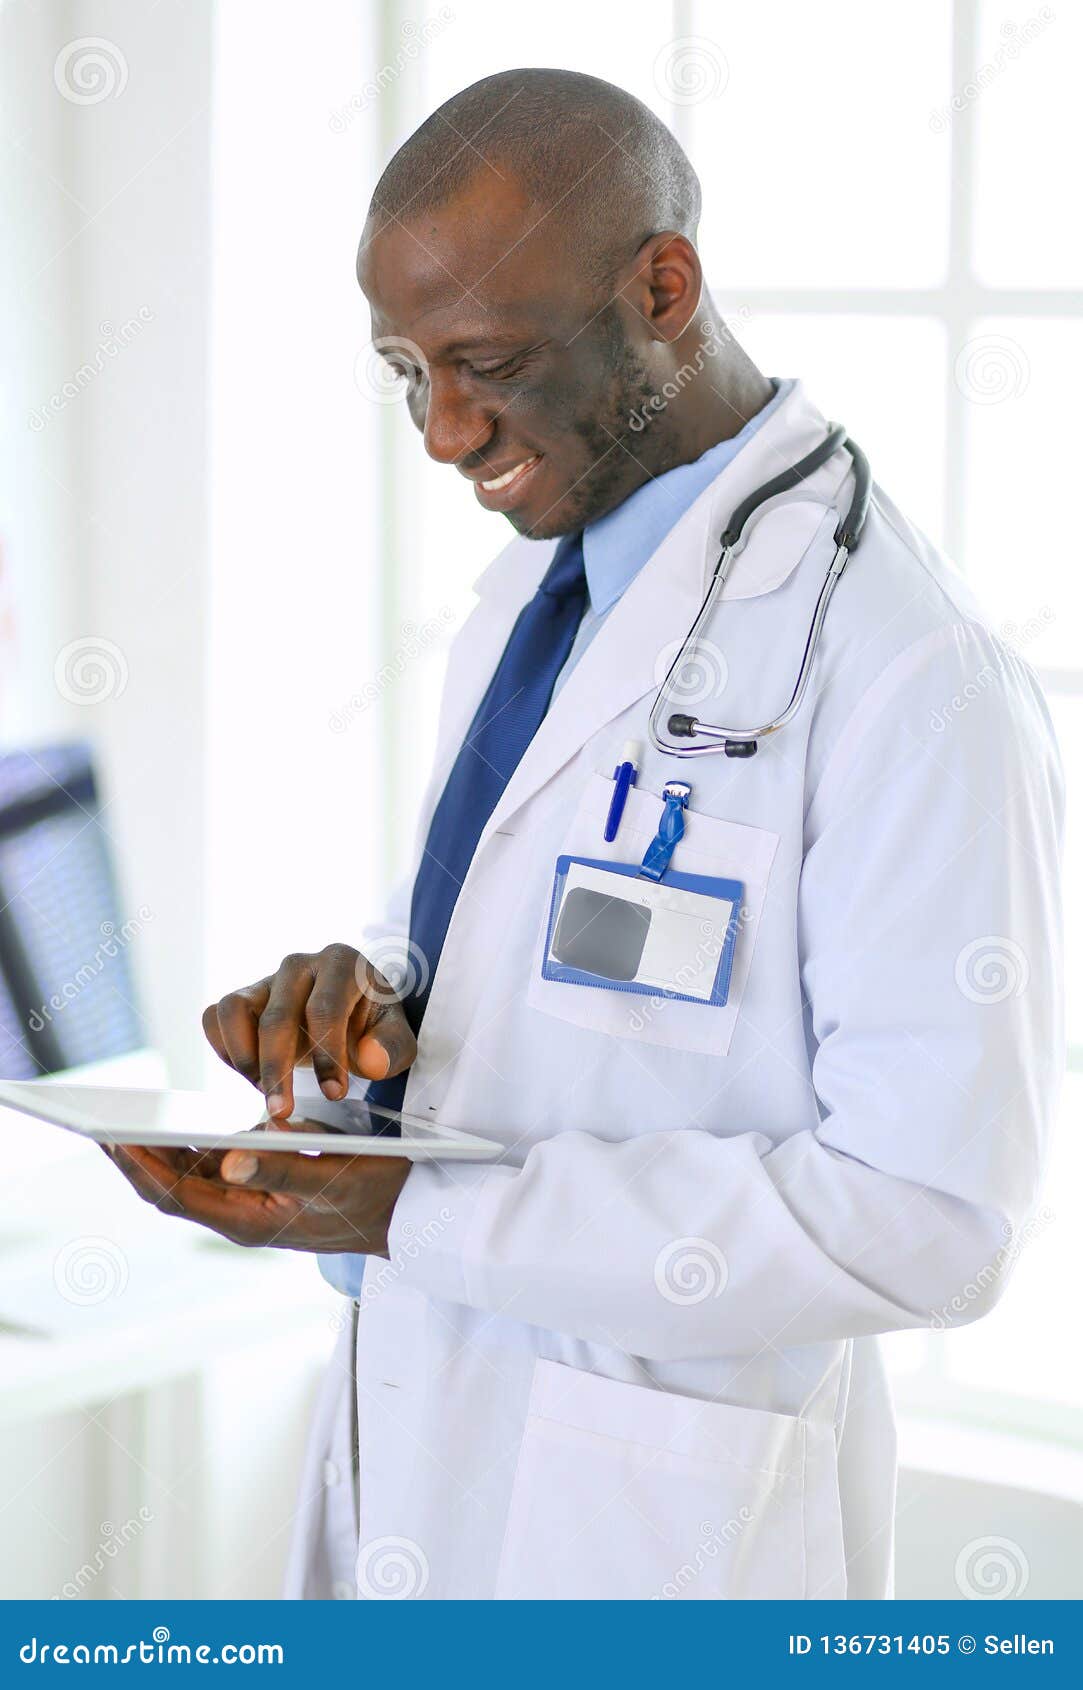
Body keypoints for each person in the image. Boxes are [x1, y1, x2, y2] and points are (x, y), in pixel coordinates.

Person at [106, 69, 1064, 1601]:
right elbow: (573, 977)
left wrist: (429, 1209)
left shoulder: (910, 672)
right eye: (406, 370)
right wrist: (375, 1021)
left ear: (664, 288)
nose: (444, 432)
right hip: (421, 1464)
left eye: (485, 362)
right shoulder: (536, 590)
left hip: (661, 1547)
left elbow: (933, 1219)